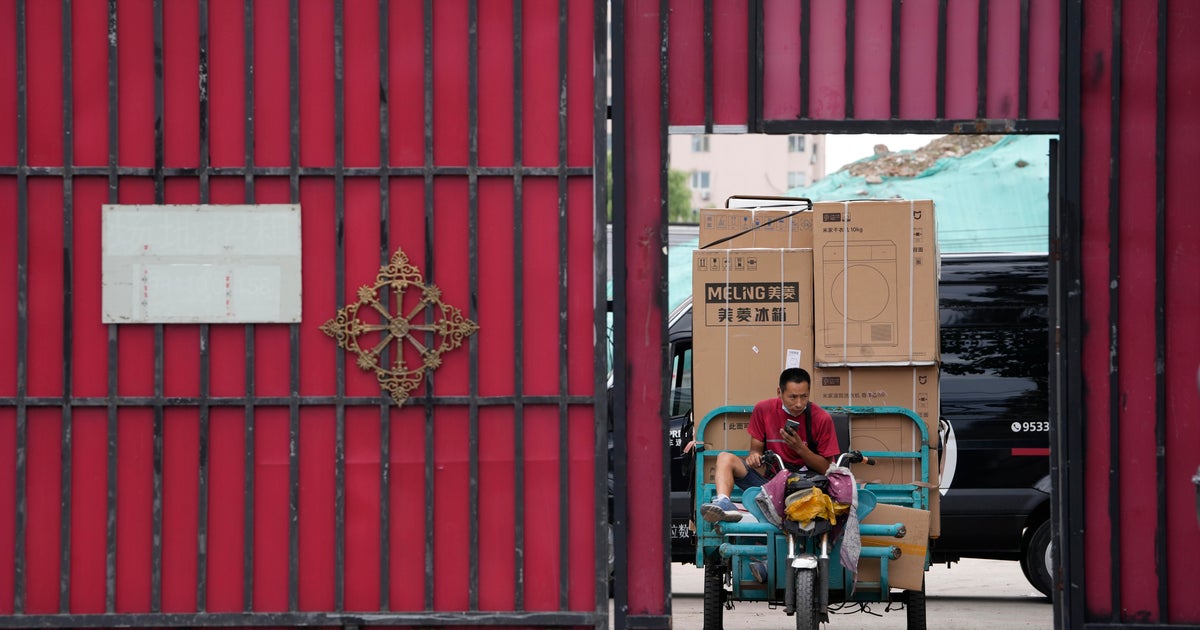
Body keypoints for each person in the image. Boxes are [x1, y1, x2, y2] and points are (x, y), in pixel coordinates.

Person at [699, 367, 841, 524]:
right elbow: (756, 449)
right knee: (724, 458)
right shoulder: (763, 409)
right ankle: (724, 502)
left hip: (807, 490)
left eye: (804, 396)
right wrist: (754, 457)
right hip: (770, 487)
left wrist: (800, 449)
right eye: (792, 397)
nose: (799, 404)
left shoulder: (821, 418)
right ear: (779, 392)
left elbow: (827, 469)